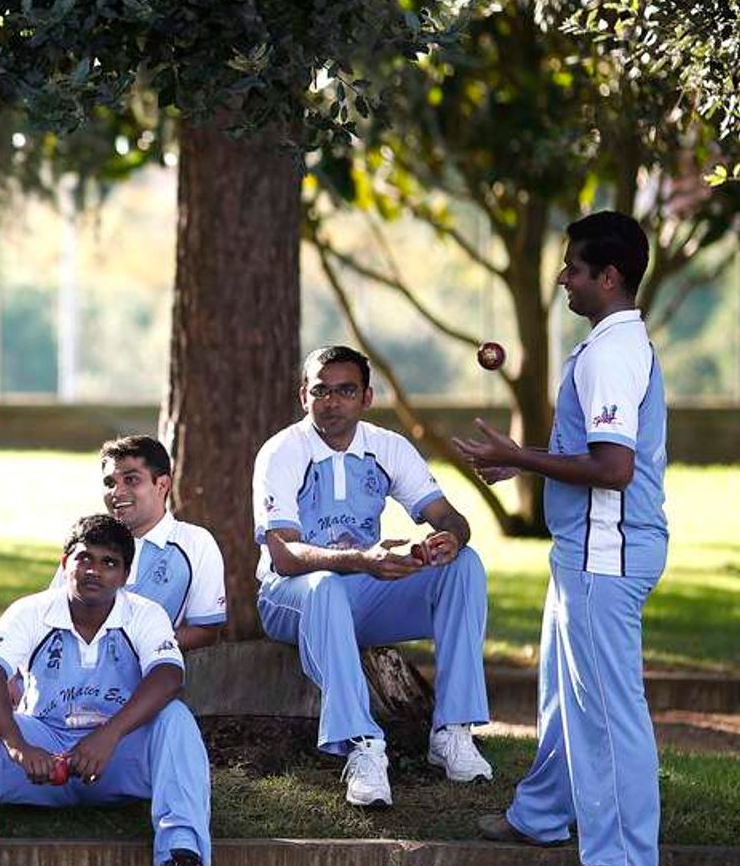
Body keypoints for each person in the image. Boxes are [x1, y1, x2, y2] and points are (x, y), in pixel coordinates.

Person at [454, 211, 666, 863]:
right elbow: (591, 451)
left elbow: (612, 468)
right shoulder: (608, 344)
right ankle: (543, 812)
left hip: (606, 557)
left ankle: (625, 856)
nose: (562, 278)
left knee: (605, 717)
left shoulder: (611, 354)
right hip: (584, 551)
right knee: (562, 694)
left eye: (573, 268)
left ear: (609, 276)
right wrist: (526, 456)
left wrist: (520, 458)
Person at [252, 344, 492, 808]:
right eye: (320, 391)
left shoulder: (387, 447)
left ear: (367, 397)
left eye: (345, 391)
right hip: (290, 596)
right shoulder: (281, 452)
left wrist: (450, 540)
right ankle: (363, 745)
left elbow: (449, 517)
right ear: (304, 396)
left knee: (466, 566)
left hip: (363, 591)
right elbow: (283, 556)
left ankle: (452, 733)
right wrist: (361, 560)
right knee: (324, 587)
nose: (332, 401)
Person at [0, 514, 210, 866]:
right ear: (65, 563)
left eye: (109, 563)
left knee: (175, 718)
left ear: (124, 575)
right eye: (84, 558)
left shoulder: (146, 615)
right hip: (41, 755)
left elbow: (168, 677)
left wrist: (109, 734)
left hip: (115, 755)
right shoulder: (30, 611)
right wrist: (18, 746)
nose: (94, 571)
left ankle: (181, 854)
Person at [49, 435, 226, 650]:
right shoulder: (87, 541)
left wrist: (130, 647)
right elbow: (49, 617)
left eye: (131, 479)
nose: (117, 492)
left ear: (162, 485)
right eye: (109, 483)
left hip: (152, 675)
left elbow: (205, 632)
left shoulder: (195, 544)